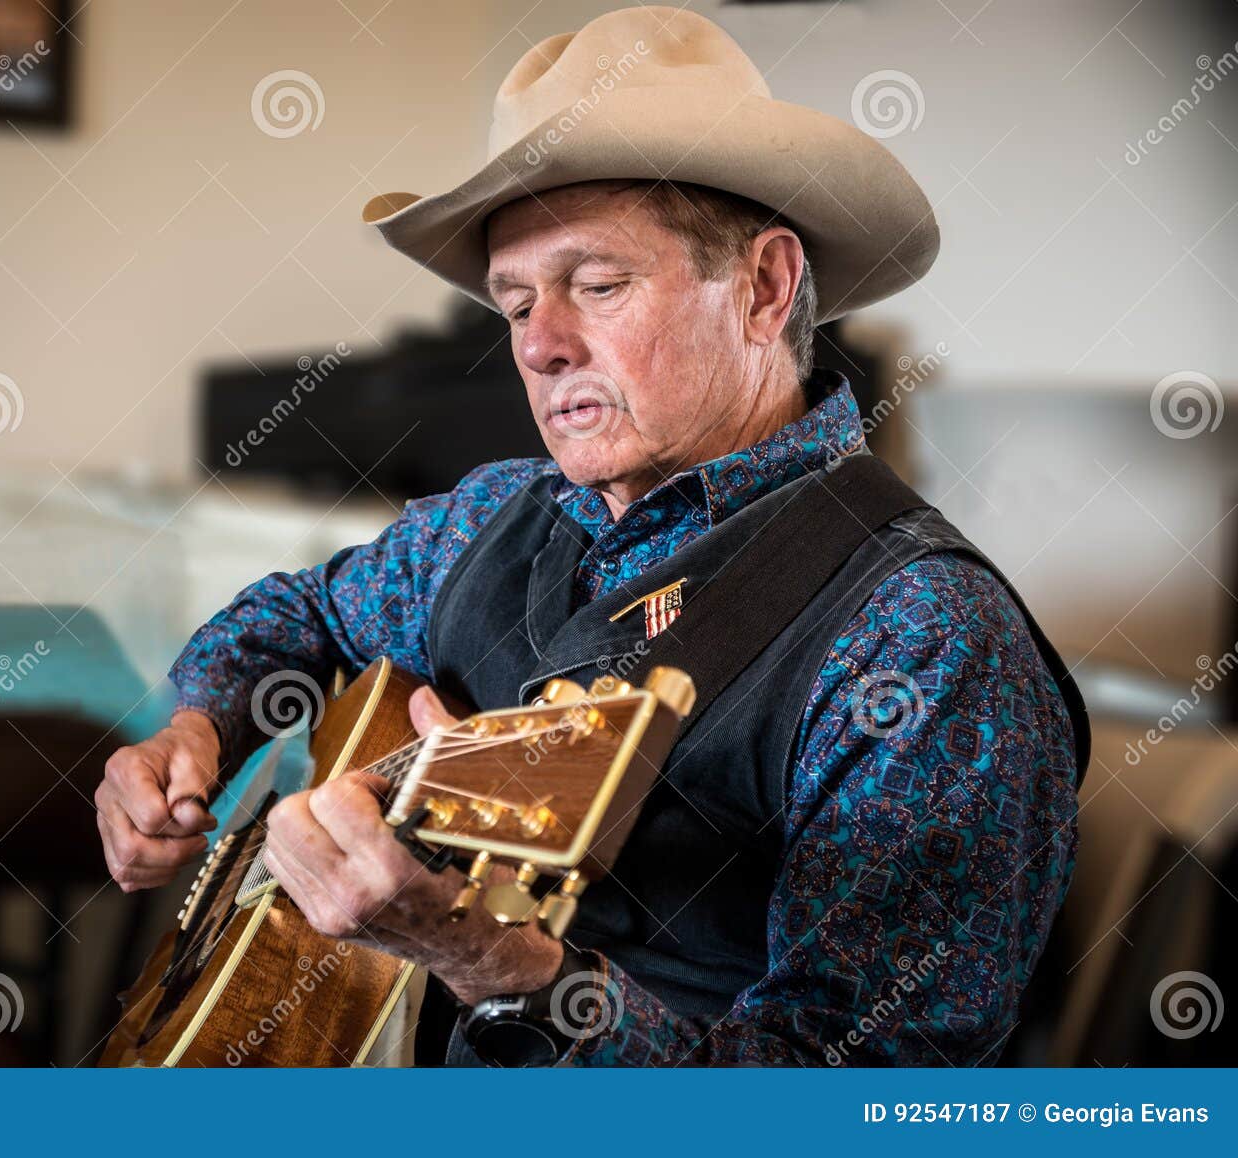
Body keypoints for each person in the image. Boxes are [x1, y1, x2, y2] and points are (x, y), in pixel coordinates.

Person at [95, 6, 1087, 1065]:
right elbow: (296, 612)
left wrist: (497, 968)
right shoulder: (491, 514)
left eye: (598, 285)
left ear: (763, 287)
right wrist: (198, 728)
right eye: (515, 305)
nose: (541, 346)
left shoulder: (925, 642)